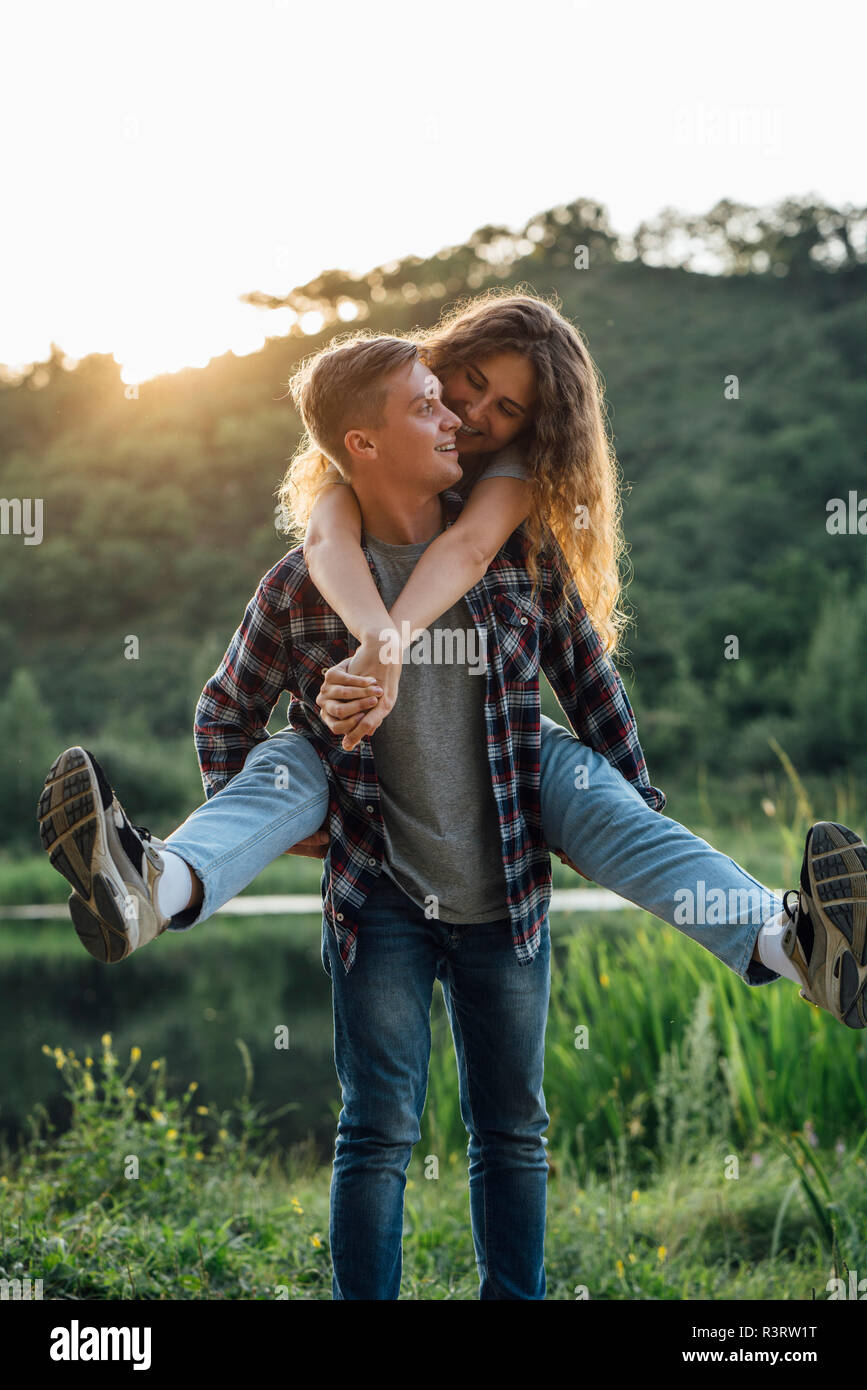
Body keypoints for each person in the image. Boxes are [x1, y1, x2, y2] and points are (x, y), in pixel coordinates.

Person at [38, 294, 867, 1038]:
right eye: (462, 381)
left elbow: (534, 621)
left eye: (503, 408)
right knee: (289, 764)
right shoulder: (351, 471)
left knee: (599, 800)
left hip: (512, 766)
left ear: (529, 428)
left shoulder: (511, 488)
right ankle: (154, 882)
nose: (470, 413)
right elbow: (321, 548)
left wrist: (622, 799)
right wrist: (303, 829)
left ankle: (795, 945)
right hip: (355, 783)